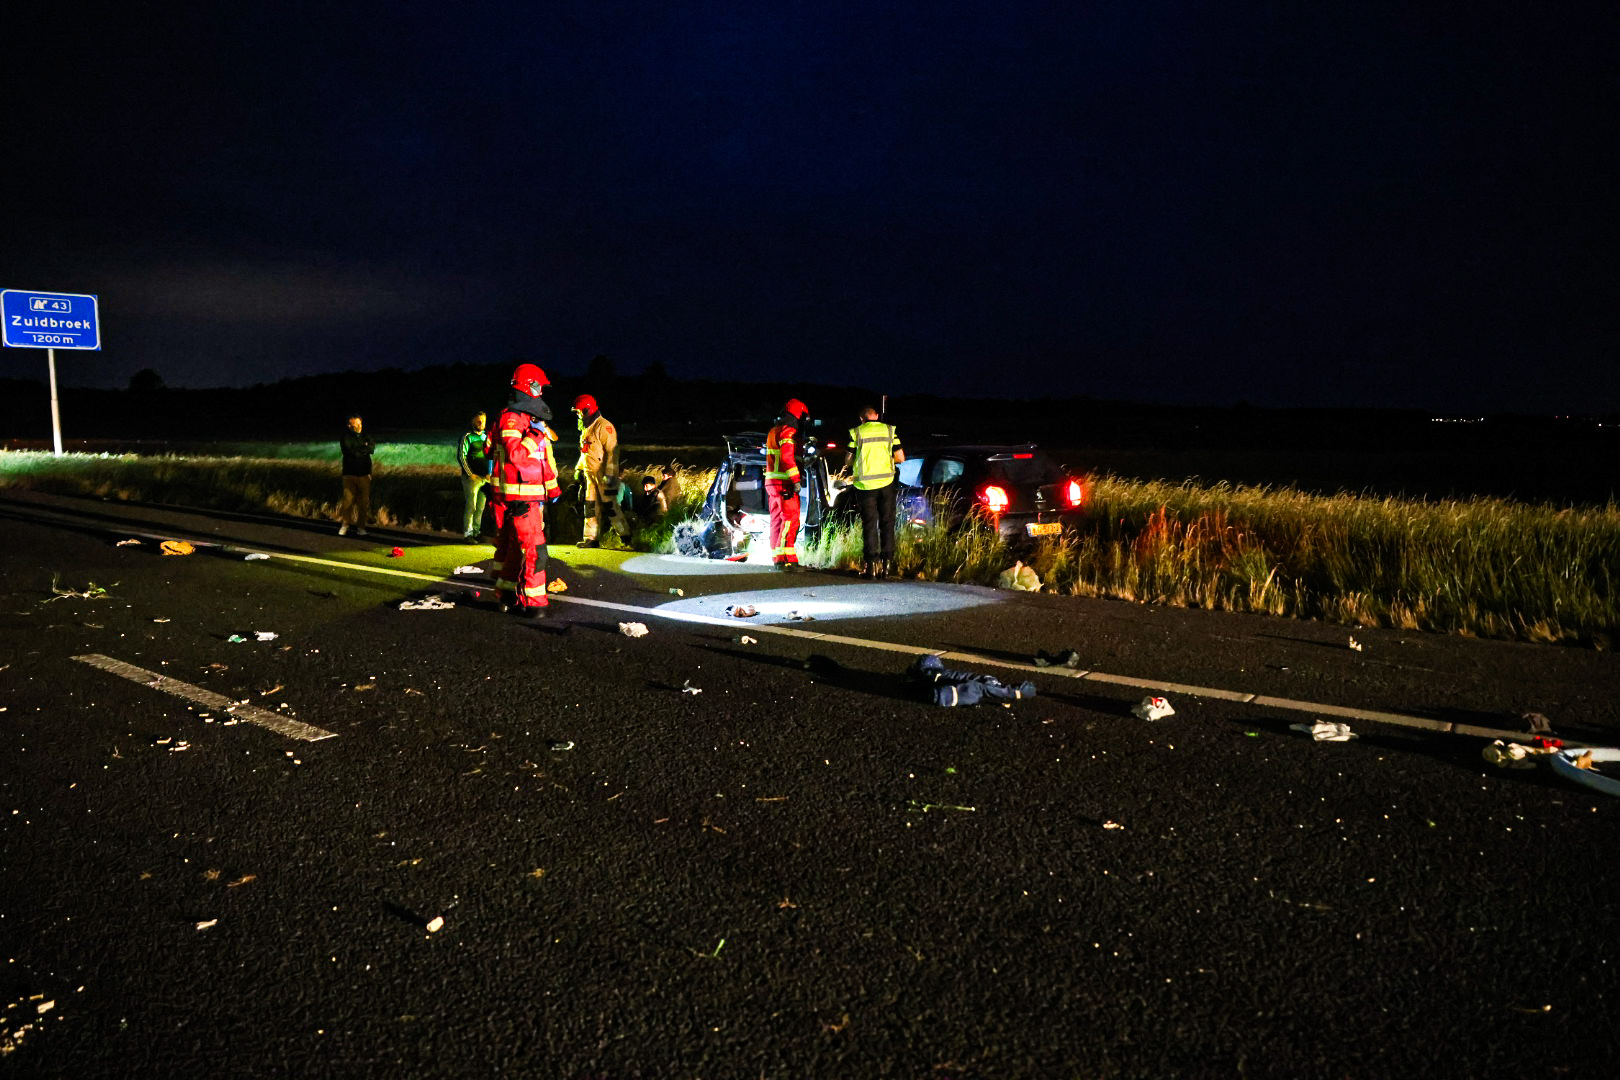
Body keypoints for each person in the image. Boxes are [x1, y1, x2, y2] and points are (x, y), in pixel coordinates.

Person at [489, 363, 561, 617]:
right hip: (520, 498)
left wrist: (553, 490)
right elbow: (517, 455)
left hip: (528, 496)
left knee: (512, 550)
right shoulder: (511, 418)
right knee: (535, 552)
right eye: (539, 387)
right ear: (529, 386)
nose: (541, 392)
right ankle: (535, 604)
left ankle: (507, 594)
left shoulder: (528, 419)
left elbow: (541, 461)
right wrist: (535, 435)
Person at [846, 406, 904, 578]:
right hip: (886, 483)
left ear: (861, 419)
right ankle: (887, 567)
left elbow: (848, 460)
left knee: (869, 524)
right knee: (887, 523)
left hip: (865, 486)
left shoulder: (856, 433)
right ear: (877, 416)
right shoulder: (889, 430)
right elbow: (900, 457)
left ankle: (870, 567)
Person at [571, 394, 626, 548]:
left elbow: (612, 452)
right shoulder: (587, 428)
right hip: (590, 476)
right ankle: (591, 539)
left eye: (579, 412)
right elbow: (585, 452)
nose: (578, 415)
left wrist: (610, 475)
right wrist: (579, 469)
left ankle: (625, 537)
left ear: (587, 410)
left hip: (603, 476)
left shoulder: (604, 426)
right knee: (590, 507)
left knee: (611, 508)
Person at [764, 398, 810, 570]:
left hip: (772, 484)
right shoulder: (788, 432)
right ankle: (788, 558)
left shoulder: (773, 431)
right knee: (790, 520)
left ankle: (778, 559)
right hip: (785, 484)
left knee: (776, 521)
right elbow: (787, 458)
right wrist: (796, 480)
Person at [337, 413, 376, 536]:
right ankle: (345, 525)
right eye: (356, 424)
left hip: (365, 474)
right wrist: (364, 447)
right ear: (349, 425)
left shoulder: (366, 435)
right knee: (348, 501)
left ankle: (361, 527)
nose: (359, 426)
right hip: (349, 474)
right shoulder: (345, 437)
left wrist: (360, 449)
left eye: (360, 423)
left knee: (363, 503)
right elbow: (349, 452)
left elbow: (372, 449)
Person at [456, 410, 492, 540]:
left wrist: (490, 472)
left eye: (483, 421)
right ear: (473, 421)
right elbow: (462, 456)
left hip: (485, 478)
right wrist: (470, 474)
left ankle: (477, 531)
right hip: (472, 478)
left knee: (480, 507)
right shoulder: (468, 436)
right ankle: (468, 533)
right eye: (478, 421)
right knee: (471, 506)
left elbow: (491, 456)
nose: (481, 423)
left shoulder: (487, 437)